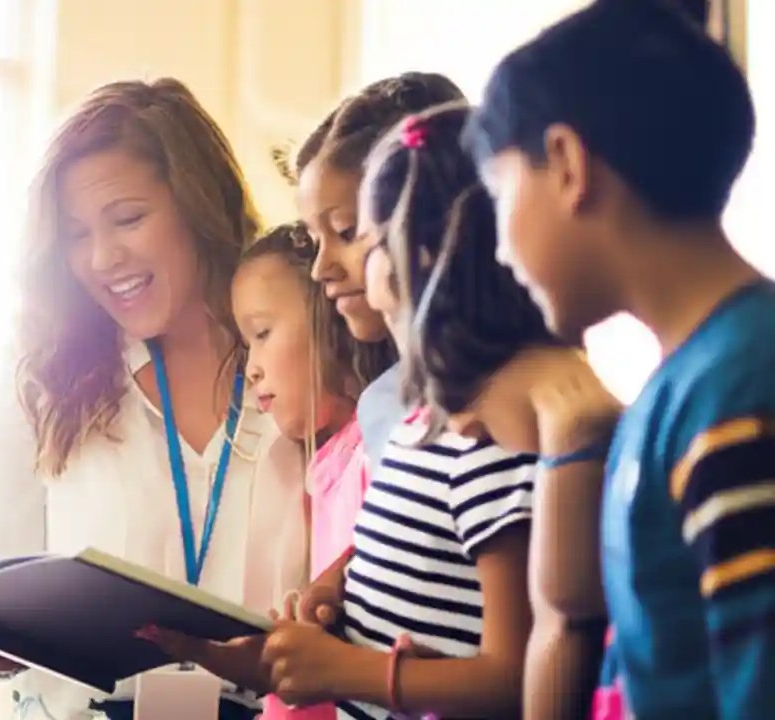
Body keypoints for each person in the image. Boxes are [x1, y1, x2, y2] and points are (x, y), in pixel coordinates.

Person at [0, 78, 309, 720]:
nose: (102, 257)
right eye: (74, 235)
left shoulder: (298, 361)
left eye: (128, 219)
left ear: (199, 206)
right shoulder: (36, 382)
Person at [464, 0, 775, 717]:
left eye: (502, 192)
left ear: (569, 166)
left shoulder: (736, 392)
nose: (501, 248)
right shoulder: (683, 388)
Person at [259, 104, 536, 719]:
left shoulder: (492, 438)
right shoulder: (418, 424)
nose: (328, 266)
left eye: (361, 234)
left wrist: (352, 670)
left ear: (431, 248)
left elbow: (521, 673)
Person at [399, 108, 618, 716]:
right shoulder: (571, 423)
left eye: (467, 408)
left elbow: (559, 642)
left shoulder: (578, 429)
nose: (467, 432)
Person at [293, 73, 466, 477]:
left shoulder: (501, 407)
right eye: (312, 241)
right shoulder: (381, 404)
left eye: (347, 232)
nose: (321, 268)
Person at [230, 222, 370, 720]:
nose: (252, 367)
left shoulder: (374, 454)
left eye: (263, 334)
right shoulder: (327, 463)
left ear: (331, 314)